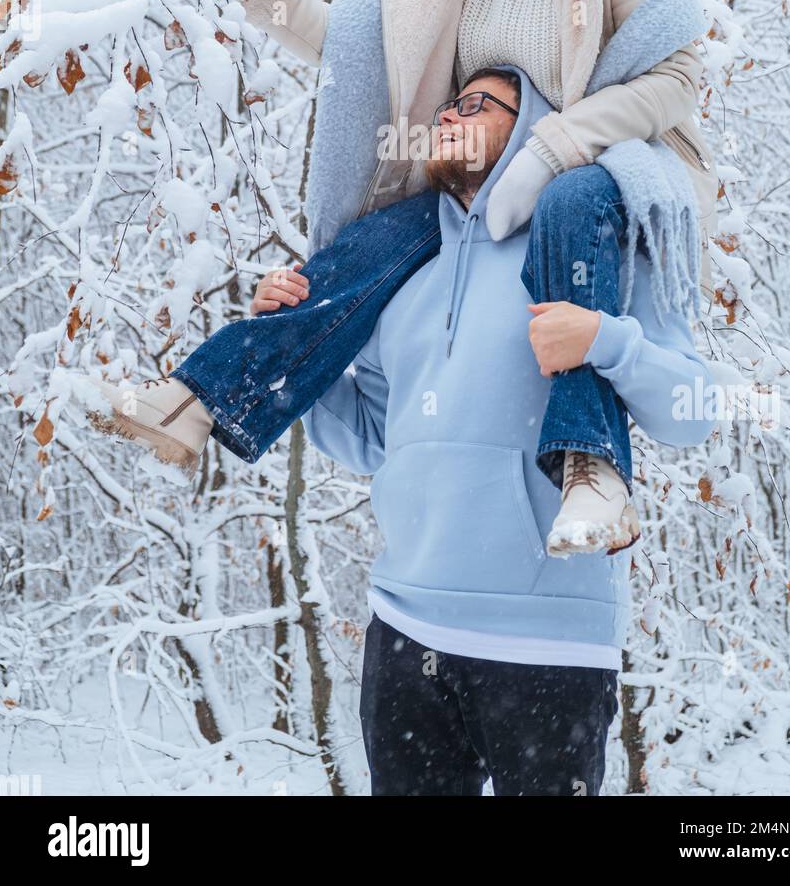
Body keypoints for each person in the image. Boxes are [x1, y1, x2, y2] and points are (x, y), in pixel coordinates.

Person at [80, 0, 718, 554]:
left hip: (593, 166)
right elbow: (366, 54)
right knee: (372, 242)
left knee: (569, 202)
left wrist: (555, 147)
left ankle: (592, 472)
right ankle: (201, 399)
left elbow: (676, 77)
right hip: (472, 171)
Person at [297, 65, 716, 795]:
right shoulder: (408, 268)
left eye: (479, 104)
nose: (451, 115)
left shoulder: (589, 254)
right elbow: (368, 438)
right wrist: (299, 359)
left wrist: (604, 341)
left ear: (532, 131)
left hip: (549, 642)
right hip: (404, 630)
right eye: (448, 104)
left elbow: (695, 412)